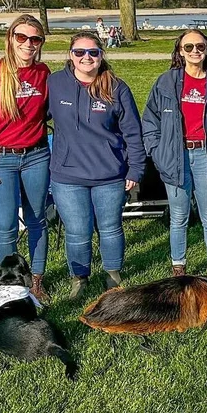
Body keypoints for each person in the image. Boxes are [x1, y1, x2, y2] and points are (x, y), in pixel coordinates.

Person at [48, 32, 146, 299]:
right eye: (79, 52)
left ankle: (113, 276)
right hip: (67, 176)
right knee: (78, 231)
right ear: (71, 55)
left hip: (110, 175)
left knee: (110, 227)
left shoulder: (117, 87)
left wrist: (135, 169)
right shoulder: (55, 84)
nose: (86, 58)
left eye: (92, 52)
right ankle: (79, 279)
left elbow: (133, 134)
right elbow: (34, 116)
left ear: (102, 55)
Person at [142, 30, 207, 279]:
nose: (195, 51)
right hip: (175, 156)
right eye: (189, 47)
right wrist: (156, 150)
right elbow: (150, 120)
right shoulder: (166, 82)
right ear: (179, 52)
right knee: (179, 216)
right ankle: (179, 267)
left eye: (200, 46)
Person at [0, 14, 52, 302]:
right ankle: (7, 286)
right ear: (11, 39)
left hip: (37, 156)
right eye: (22, 37)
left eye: (35, 39)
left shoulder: (44, 74)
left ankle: (36, 281)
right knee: (5, 225)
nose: (28, 44)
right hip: (1, 159)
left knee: (37, 220)